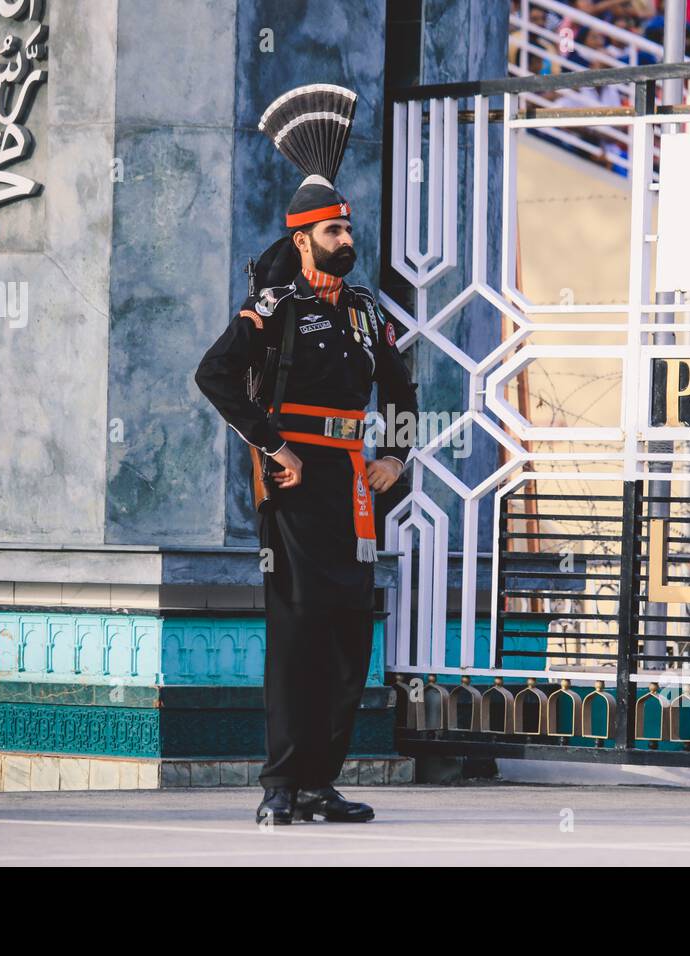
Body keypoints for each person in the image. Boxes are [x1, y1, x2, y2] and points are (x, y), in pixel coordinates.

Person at [195, 85, 419, 826]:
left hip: (354, 489)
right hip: (292, 487)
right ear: (301, 238)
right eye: (331, 230)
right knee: (295, 633)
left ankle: (323, 783)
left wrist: (397, 460)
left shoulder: (364, 311)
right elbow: (215, 375)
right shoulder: (275, 308)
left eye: (347, 226)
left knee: (350, 635)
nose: (345, 237)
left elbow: (404, 388)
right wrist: (272, 445)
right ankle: (280, 786)